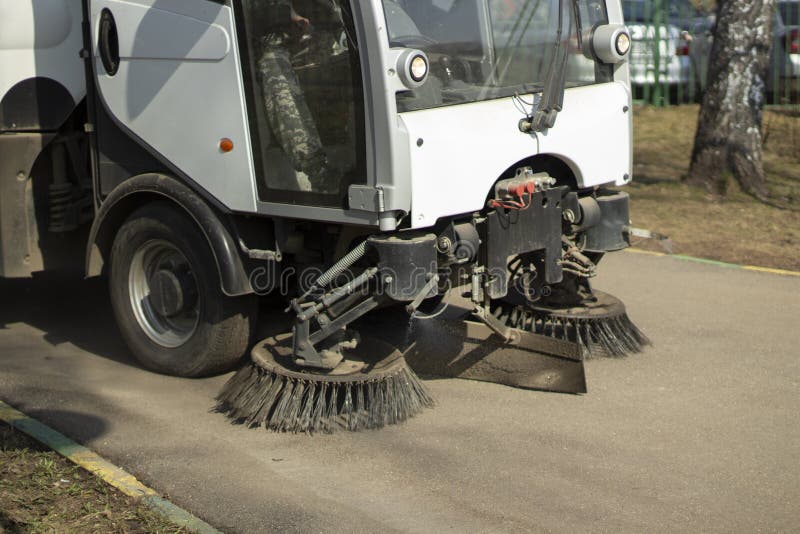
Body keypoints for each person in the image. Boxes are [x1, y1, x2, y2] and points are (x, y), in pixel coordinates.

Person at [253, 0, 338, 193]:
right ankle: (316, 169)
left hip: (301, 35)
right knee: (277, 74)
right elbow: (252, 14)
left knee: (342, 58)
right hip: (270, 43)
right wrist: (287, 15)